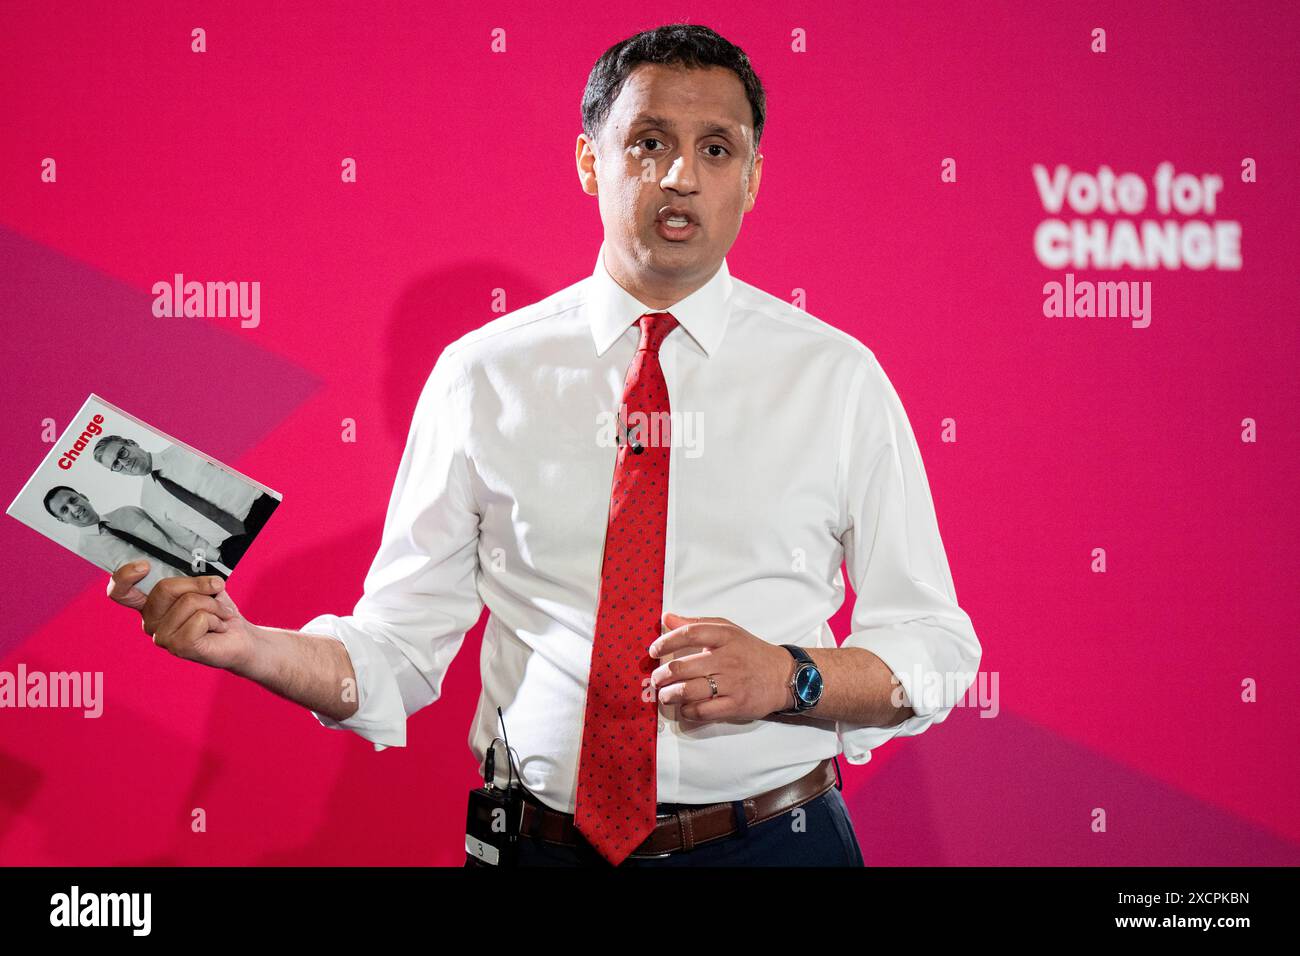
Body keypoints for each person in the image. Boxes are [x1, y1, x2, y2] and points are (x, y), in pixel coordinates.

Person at [105, 23, 982, 867]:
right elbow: (397, 651)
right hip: (536, 848)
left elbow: (937, 653)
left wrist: (792, 677)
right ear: (588, 160)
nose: (680, 175)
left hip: (775, 846)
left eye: (717, 149)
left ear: (752, 178)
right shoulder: (481, 374)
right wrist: (247, 646)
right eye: (647, 141)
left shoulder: (837, 379)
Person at [92, 435, 279, 567]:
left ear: (132, 443)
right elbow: (186, 539)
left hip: (263, 511)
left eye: (122, 453)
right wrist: (221, 558)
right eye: (115, 464)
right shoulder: (148, 502)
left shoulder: (185, 448)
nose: (123, 463)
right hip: (234, 547)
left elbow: (244, 462)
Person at [44, 485, 227, 592]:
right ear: (61, 520)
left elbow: (177, 536)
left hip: (204, 569)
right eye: (64, 510)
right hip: (179, 596)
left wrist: (213, 557)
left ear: (83, 497)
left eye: (73, 500)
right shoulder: (85, 554)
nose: (74, 509)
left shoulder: (128, 512)